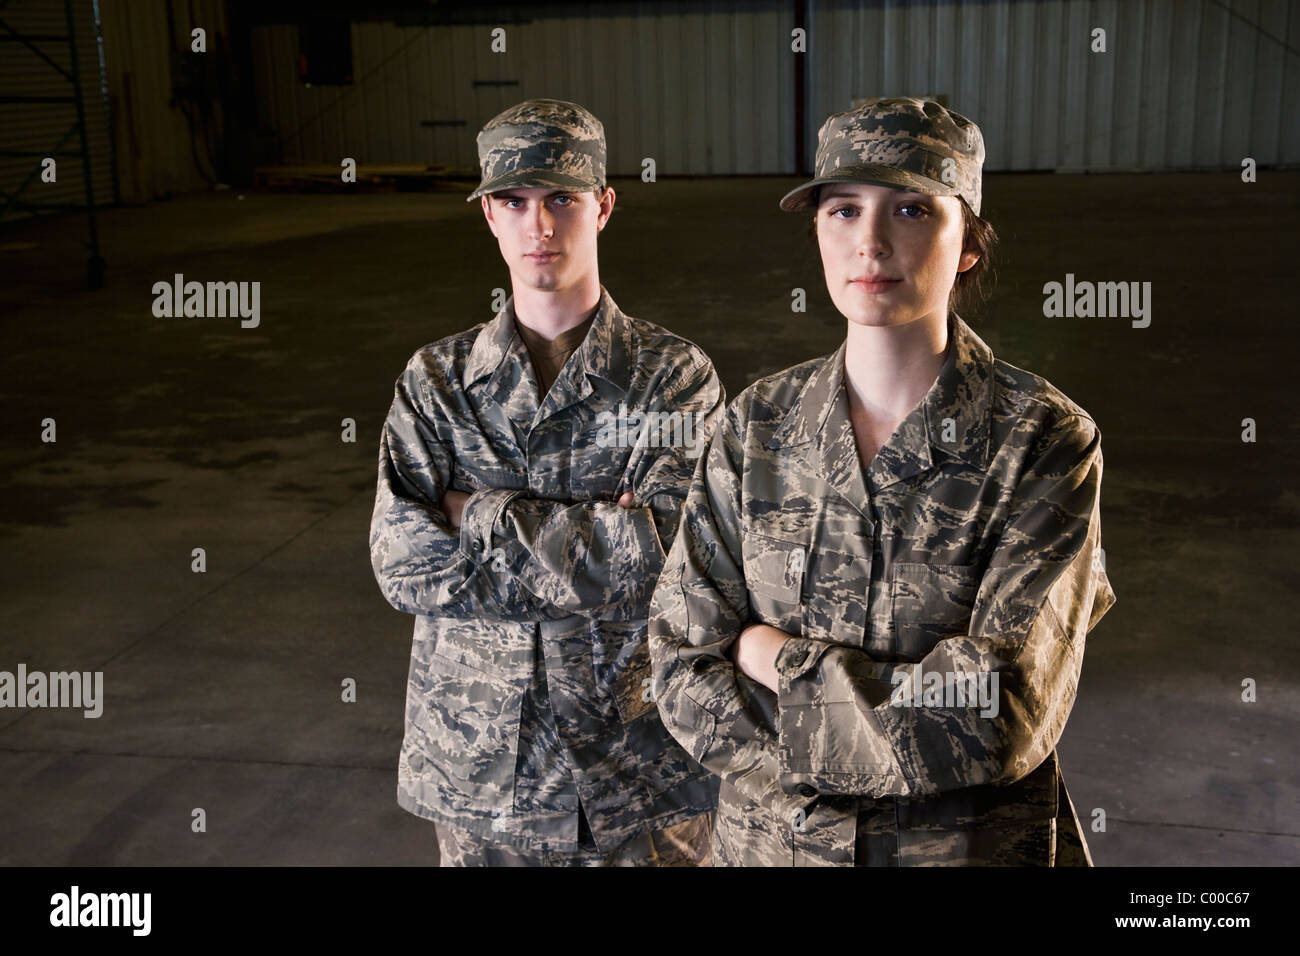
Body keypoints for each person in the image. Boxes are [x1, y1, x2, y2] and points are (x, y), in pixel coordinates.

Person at [648, 97, 1117, 866]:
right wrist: (883, 720)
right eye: (843, 210)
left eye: (910, 209)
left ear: (969, 242)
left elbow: (1001, 716)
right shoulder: (756, 426)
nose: (869, 242)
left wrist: (771, 658)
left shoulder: (1042, 441)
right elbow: (678, 665)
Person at [370, 98, 723, 866]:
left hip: (637, 774)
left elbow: (673, 562)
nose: (540, 225)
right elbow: (404, 566)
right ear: (489, 215)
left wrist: (479, 514)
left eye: (562, 198)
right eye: (514, 201)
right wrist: (597, 536)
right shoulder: (437, 383)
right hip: (482, 778)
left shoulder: (671, 377)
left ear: (604, 206)